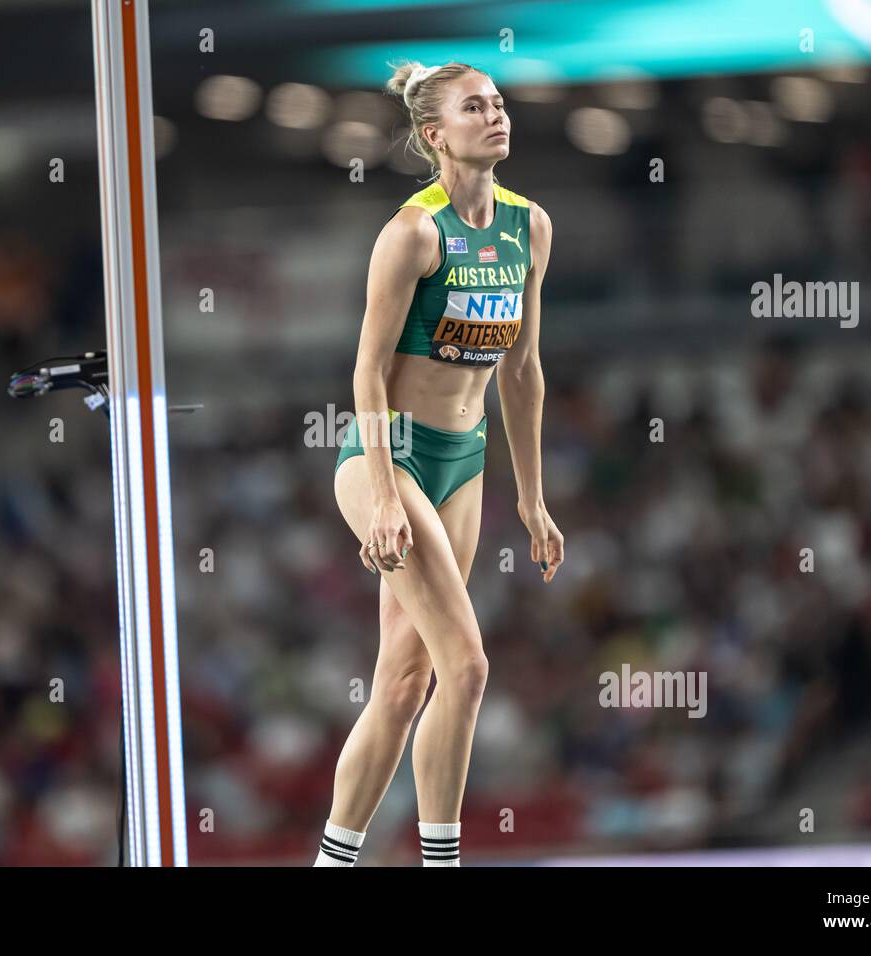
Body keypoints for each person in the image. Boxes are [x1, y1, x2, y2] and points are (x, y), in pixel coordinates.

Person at [316, 60, 564, 867]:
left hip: (467, 462)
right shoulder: (413, 233)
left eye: (498, 103)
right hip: (389, 459)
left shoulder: (531, 227)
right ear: (434, 135)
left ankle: (331, 861)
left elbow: (522, 371)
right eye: (473, 107)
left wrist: (532, 498)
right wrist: (386, 494)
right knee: (467, 667)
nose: (495, 116)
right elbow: (365, 369)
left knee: (401, 684)